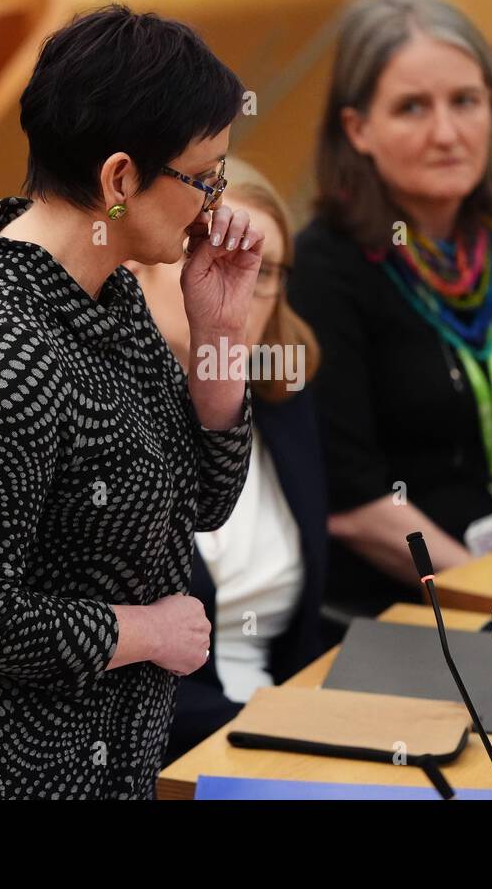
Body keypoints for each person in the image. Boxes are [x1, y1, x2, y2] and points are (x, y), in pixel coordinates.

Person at [0, 4, 267, 799]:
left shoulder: (101, 295)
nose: (215, 204)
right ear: (117, 180)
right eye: (203, 177)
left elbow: (201, 501)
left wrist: (217, 329)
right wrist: (143, 631)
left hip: (90, 759)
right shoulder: (9, 354)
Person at [288, 0, 492, 625]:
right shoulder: (325, 269)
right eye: (411, 108)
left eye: (465, 101)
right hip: (407, 601)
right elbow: (353, 502)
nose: (447, 133)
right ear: (358, 129)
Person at [129, 158, 327, 764]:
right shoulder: (96, 419)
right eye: (211, 253)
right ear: (143, 264)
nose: (234, 284)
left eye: (261, 270)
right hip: (163, 755)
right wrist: (279, 741)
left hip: (282, 724)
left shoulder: (281, 405)